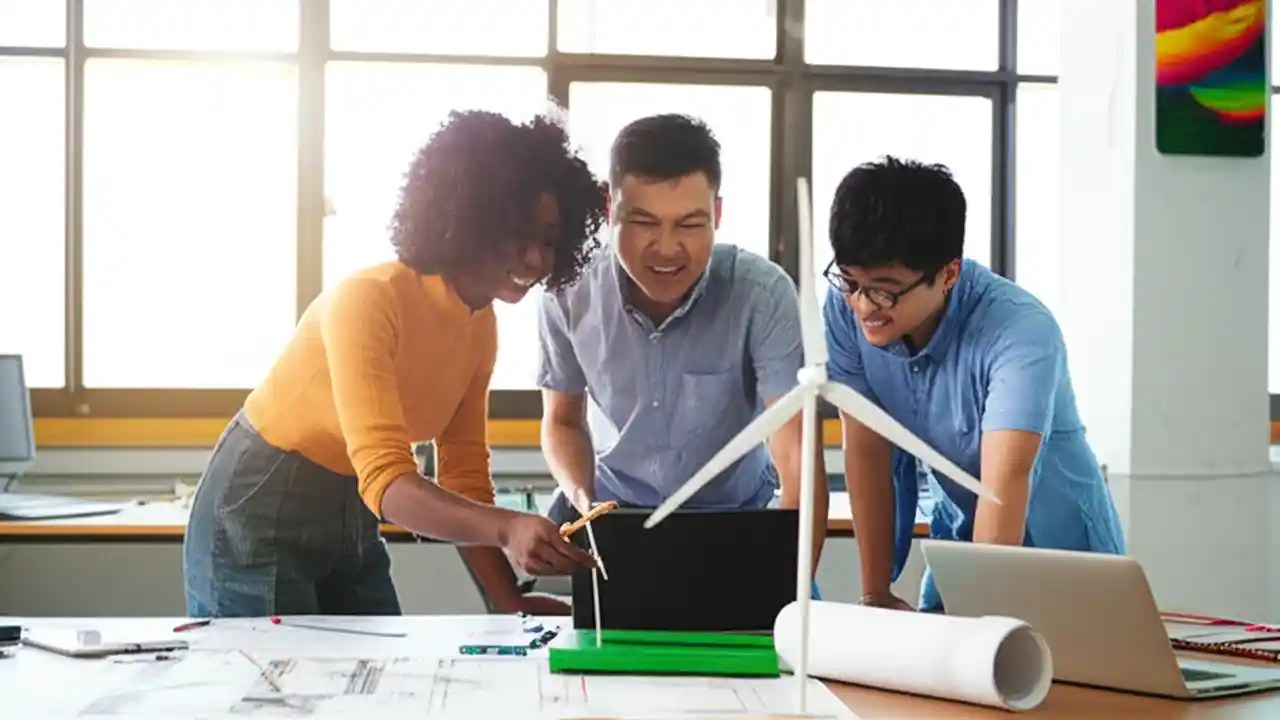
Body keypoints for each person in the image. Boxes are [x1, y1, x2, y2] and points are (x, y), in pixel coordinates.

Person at [182, 109, 605, 618]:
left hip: (354, 510)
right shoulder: (370, 299)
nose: (536, 259)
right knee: (274, 670)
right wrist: (507, 527)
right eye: (519, 235)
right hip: (258, 503)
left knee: (376, 664)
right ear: (470, 221)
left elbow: (463, 477)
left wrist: (507, 598)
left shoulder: (480, 325)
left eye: (549, 241)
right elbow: (386, 480)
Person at [822, 155, 1126, 613]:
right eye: (850, 281)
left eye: (885, 289)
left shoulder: (1020, 332)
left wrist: (982, 624)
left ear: (948, 273)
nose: (864, 306)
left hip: (1064, 561)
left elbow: (1004, 483)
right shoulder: (844, 308)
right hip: (964, 550)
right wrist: (875, 593)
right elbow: (866, 450)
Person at [535, 113, 829, 584]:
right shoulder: (568, 290)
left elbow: (797, 456)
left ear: (717, 214)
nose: (667, 249)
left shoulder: (762, 293)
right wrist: (583, 501)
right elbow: (562, 421)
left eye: (690, 224)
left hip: (736, 521)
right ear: (611, 208)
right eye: (644, 222)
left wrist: (786, 589)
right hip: (615, 520)